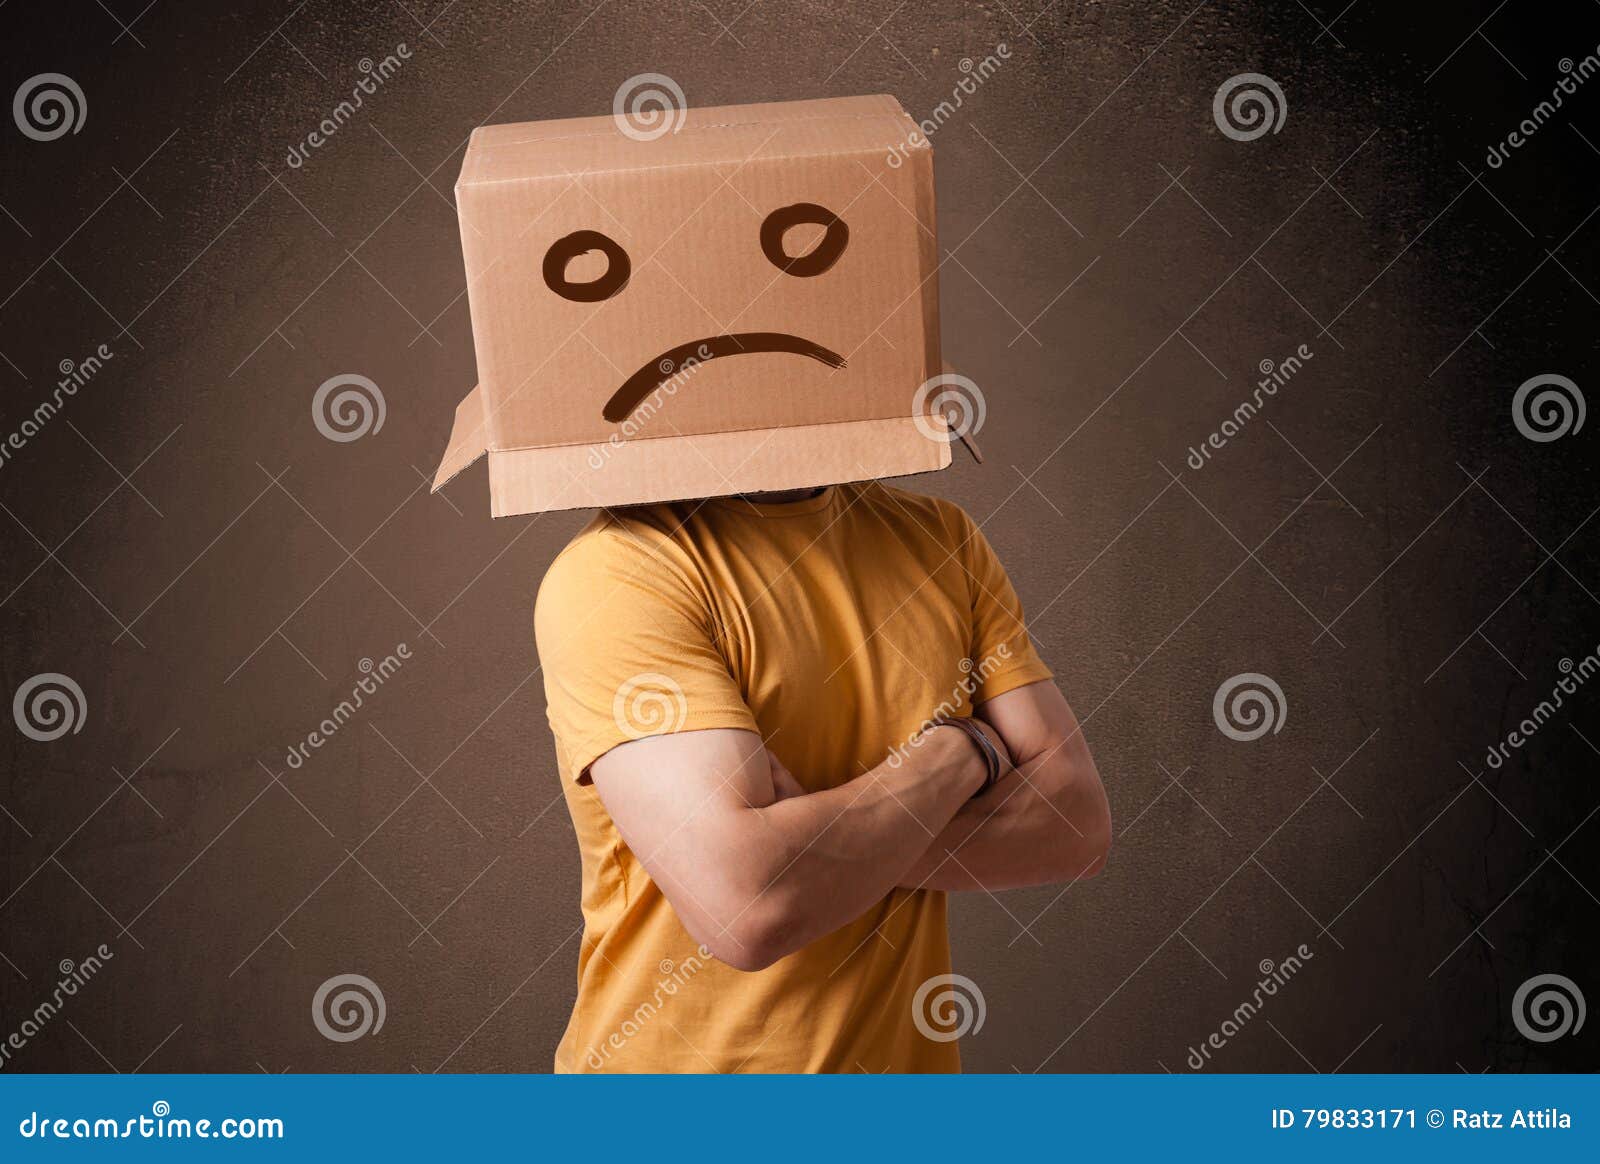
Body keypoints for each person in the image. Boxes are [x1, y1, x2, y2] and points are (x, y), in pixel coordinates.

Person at [534, 479, 1111, 1072]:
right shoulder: (618, 572)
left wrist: (809, 849)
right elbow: (749, 911)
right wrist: (962, 750)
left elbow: (1077, 825)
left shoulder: (942, 538)